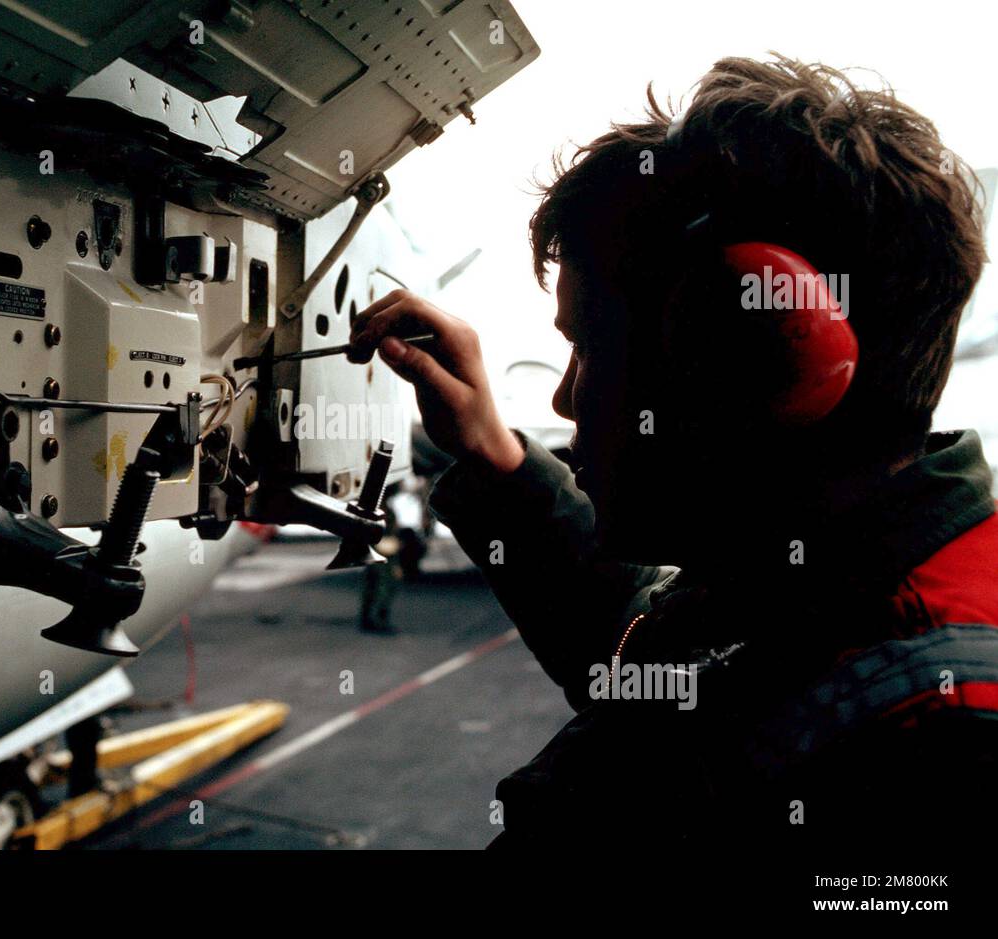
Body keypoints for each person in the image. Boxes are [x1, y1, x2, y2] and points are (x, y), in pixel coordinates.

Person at [348, 55, 998, 857]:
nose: (561, 401)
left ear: (751, 363)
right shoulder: (809, 586)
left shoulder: (939, 750)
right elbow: (662, 660)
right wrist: (491, 452)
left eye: (589, 349)